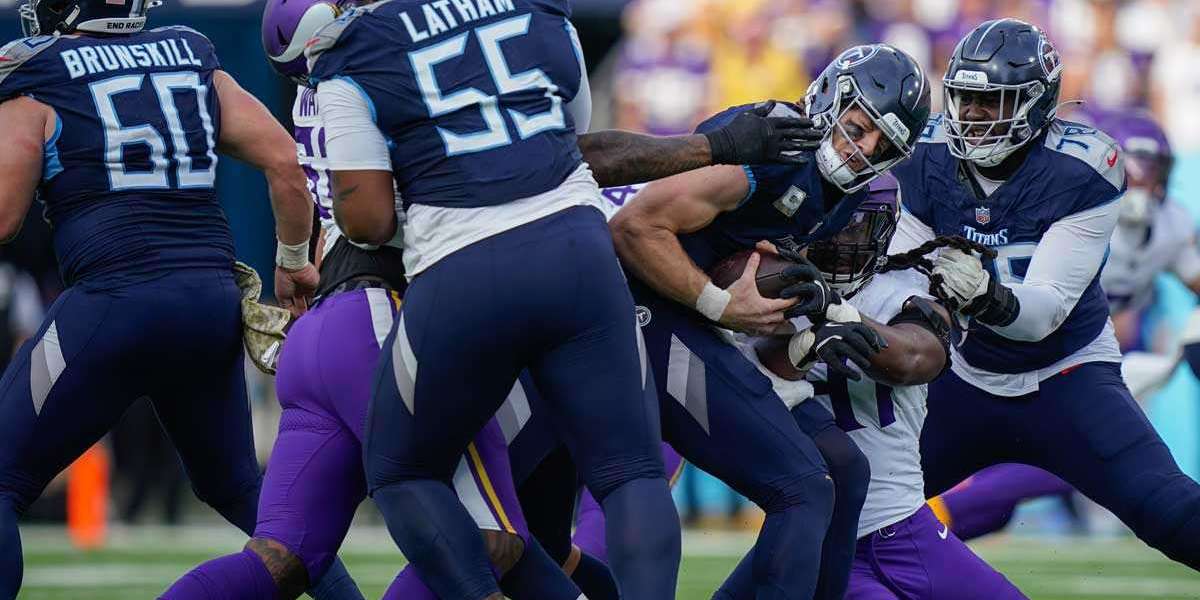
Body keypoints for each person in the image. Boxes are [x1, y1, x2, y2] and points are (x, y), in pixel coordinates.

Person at [248, 2, 827, 598]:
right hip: (576, 251)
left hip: (460, 268)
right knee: (632, 474)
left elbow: (367, 222)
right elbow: (575, 147)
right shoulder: (536, 10)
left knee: (401, 471)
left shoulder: (354, 50)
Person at [0, 1, 363, 598]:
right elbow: (285, 164)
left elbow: (5, 218)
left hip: (113, 301)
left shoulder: (39, 74)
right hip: (209, 301)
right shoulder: (189, 54)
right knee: (241, 490)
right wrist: (293, 263)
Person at [610, 44, 930, 599]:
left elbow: (739, 265)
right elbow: (636, 227)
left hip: (680, 313)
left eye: (885, 144)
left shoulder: (840, 195)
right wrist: (719, 305)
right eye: (860, 127)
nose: (865, 150)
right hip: (628, 308)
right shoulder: (777, 144)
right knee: (804, 488)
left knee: (845, 471)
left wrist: (794, 330)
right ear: (830, 98)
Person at [889, 18, 1200, 569]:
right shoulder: (928, 156)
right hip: (961, 375)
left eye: (995, 103)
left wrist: (987, 296)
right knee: (846, 506)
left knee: (1172, 512)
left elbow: (1043, 313)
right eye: (964, 99)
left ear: (1036, 104)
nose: (973, 116)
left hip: (1068, 376)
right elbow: (904, 278)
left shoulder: (1081, 167)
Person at [742, 177, 1028, 599]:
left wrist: (837, 314)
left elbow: (914, 358)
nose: (842, 238)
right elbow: (751, 373)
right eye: (834, 221)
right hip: (813, 537)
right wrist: (802, 338)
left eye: (858, 224)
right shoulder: (766, 290)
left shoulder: (905, 289)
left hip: (906, 527)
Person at [926, 110, 1200, 541]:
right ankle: (933, 521)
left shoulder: (1171, 223)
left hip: (1080, 357)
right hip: (1001, 347)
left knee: (1129, 483)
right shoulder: (1075, 200)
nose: (1144, 181)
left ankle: (937, 522)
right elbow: (1043, 302)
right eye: (1136, 167)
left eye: (1154, 168)